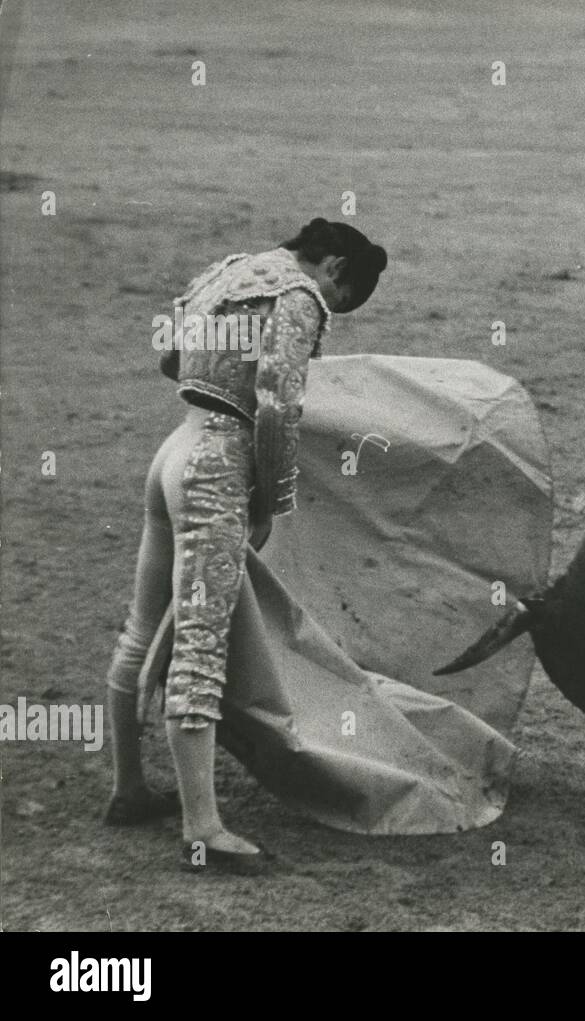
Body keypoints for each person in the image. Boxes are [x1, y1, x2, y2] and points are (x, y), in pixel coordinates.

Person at [103, 219, 387, 873]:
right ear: (334, 268)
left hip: (174, 448)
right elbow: (277, 406)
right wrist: (270, 501)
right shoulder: (300, 295)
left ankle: (127, 787)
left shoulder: (227, 269)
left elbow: (170, 359)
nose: (329, 315)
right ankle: (202, 829)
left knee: (142, 632)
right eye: (340, 302)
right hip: (215, 468)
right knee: (199, 647)